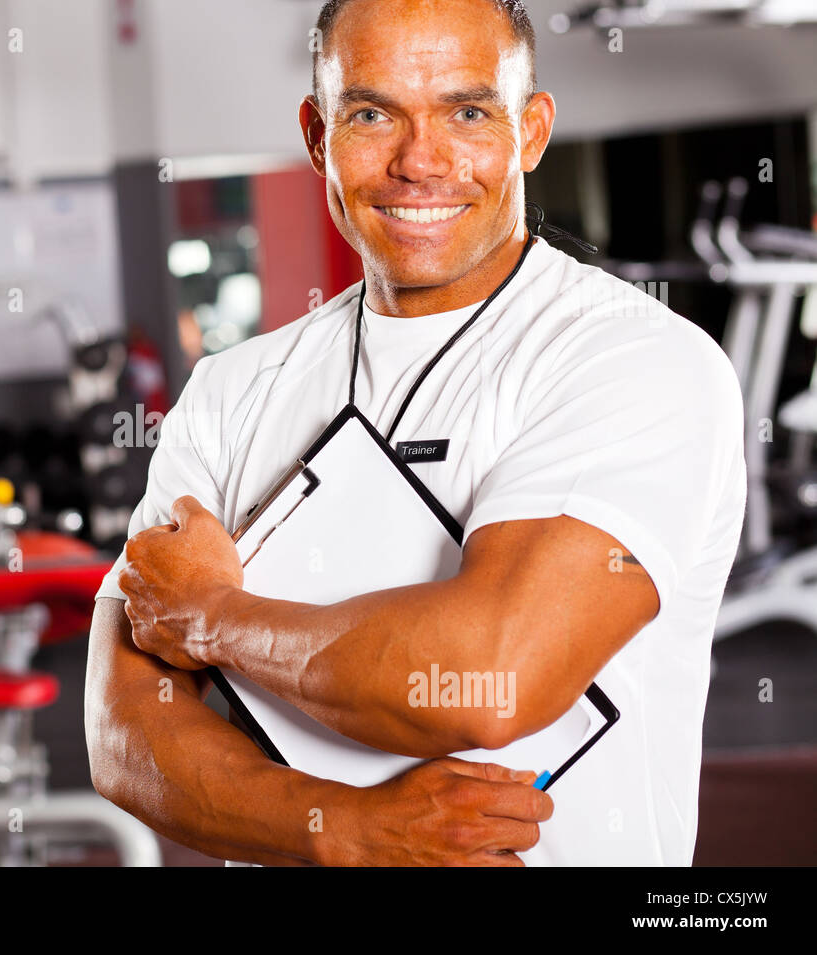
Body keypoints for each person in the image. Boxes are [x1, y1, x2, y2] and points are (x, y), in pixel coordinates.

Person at [85, 0, 746, 866]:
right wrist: (351, 831)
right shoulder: (230, 391)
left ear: (532, 132)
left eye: (468, 112)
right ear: (319, 137)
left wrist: (213, 619)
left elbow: (496, 675)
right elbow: (123, 730)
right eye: (371, 114)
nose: (419, 161)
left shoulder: (637, 359)